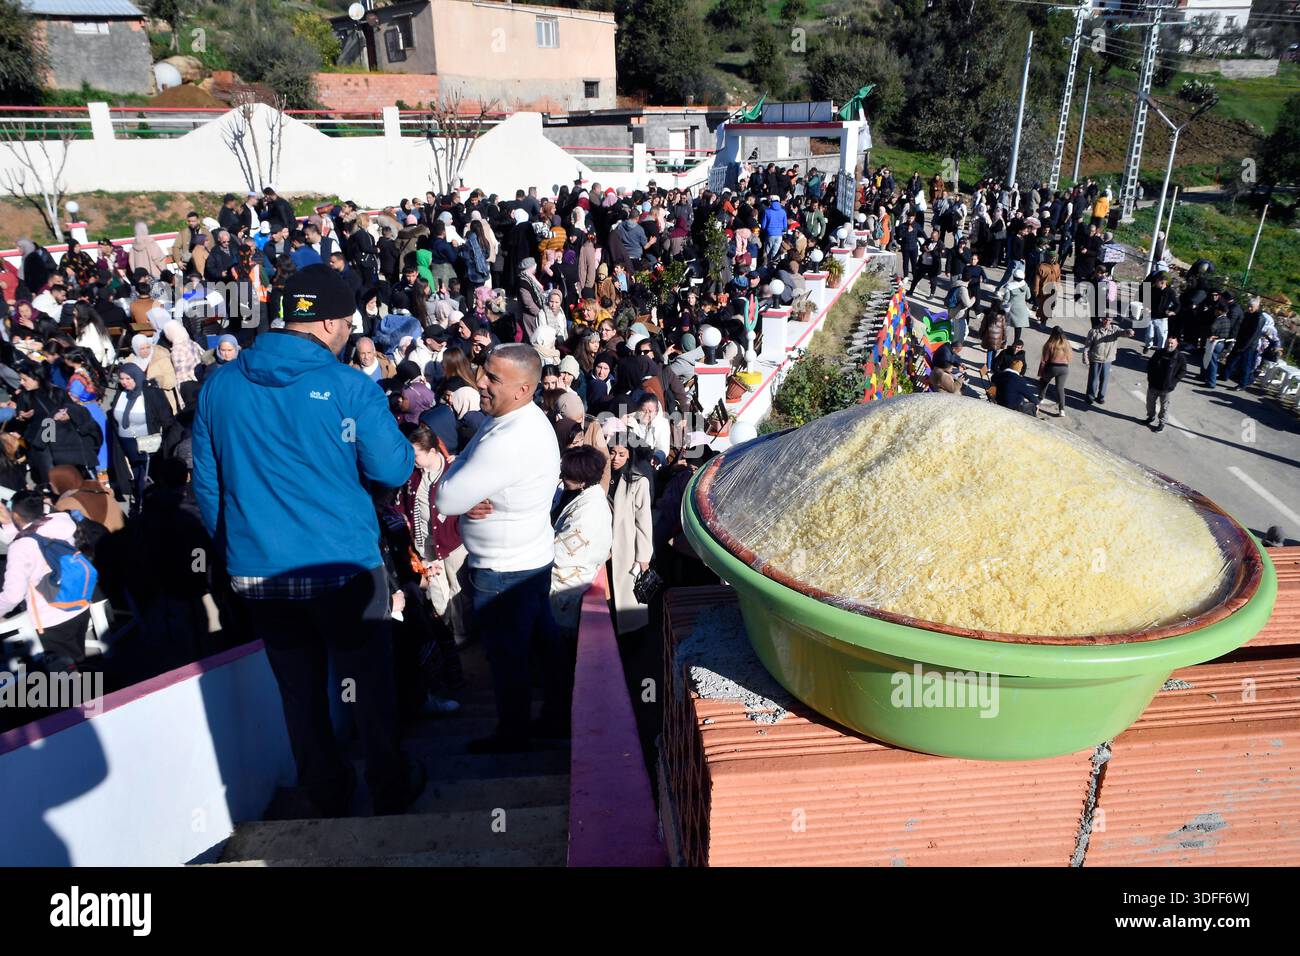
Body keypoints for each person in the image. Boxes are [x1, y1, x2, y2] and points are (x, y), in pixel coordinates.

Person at [192, 263, 424, 818]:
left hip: (259, 572)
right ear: (326, 324)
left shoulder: (218, 386)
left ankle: (326, 790)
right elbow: (392, 469)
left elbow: (208, 489)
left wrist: (241, 551)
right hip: (343, 566)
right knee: (369, 683)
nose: (350, 331)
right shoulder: (348, 387)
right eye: (348, 321)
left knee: (298, 692)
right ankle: (387, 787)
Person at [435, 343, 566, 753]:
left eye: (493, 378)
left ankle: (514, 734)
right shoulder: (515, 419)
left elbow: (444, 499)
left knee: (507, 658)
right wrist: (468, 481)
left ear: (524, 388)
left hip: (504, 570)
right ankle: (556, 717)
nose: (479, 382)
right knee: (543, 643)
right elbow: (461, 476)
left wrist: (463, 482)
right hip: (528, 558)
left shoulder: (509, 438)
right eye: (483, 371)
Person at [0, 491, 93, 663]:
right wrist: (10, 523)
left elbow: (13, 595)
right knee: (78, 660)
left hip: (51, 618)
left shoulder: (20, 548)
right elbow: (33, 535)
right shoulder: (62, 522)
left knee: (66, 675)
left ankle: (91, 688)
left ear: (16, 515)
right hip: (79, 605)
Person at [550, 445, 613, 634]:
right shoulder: (589, 496)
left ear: (583, 480)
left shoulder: (589, 512)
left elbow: (566, 555)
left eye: (567, 475)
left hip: (569, 585)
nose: (562, 478)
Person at [606, 437, 653, 634]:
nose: (616, 458)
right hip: (605, 548)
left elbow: (643, 522)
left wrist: (643, 556)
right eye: (612, 452)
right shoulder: (602, 479)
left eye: (621, 454)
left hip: (626, 548)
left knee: (628, 595)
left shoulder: (638, 482)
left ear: (629, 455)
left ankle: (633, 635)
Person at [1081, 313, 1133, 406]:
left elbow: (1123, 332)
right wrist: (1085, 356)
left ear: (1111, 321)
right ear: (1102, 319)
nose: (1107, 321)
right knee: (1093, 380)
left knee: (1104, 379)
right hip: (1096, 358)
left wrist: (1129, 331)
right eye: (1105, 319)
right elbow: (1087, 346)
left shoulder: (1115, 329)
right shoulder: (1094, 331)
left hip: (1108, 359)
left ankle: (1101, 397)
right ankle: (1090, 397)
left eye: (1109, 320)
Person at [1145, 336, 1189, 432]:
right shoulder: (1159, 353)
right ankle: (1150, 417)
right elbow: (1150, 365)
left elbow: (1183, 371)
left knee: (1164, 407)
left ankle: (1161, 423)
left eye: (1172, 343)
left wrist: (1173, 382)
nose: (1169, 345)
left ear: (1176, 344)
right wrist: (1150, 378)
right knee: (1150, 404)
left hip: (1166, 388)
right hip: (1153, 385)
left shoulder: (1180, 357)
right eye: (1168, 343)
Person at [1037, 326, 1072, 418]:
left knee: (1044, 381)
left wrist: (1041, 372)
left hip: (1052, 367)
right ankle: (1062, 410)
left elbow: (1044, 360)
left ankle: (1040, 398)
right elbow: (1069, 358)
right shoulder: (1066, 344)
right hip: (1064, 368)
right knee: (1060, 389)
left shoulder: (1050, 344)